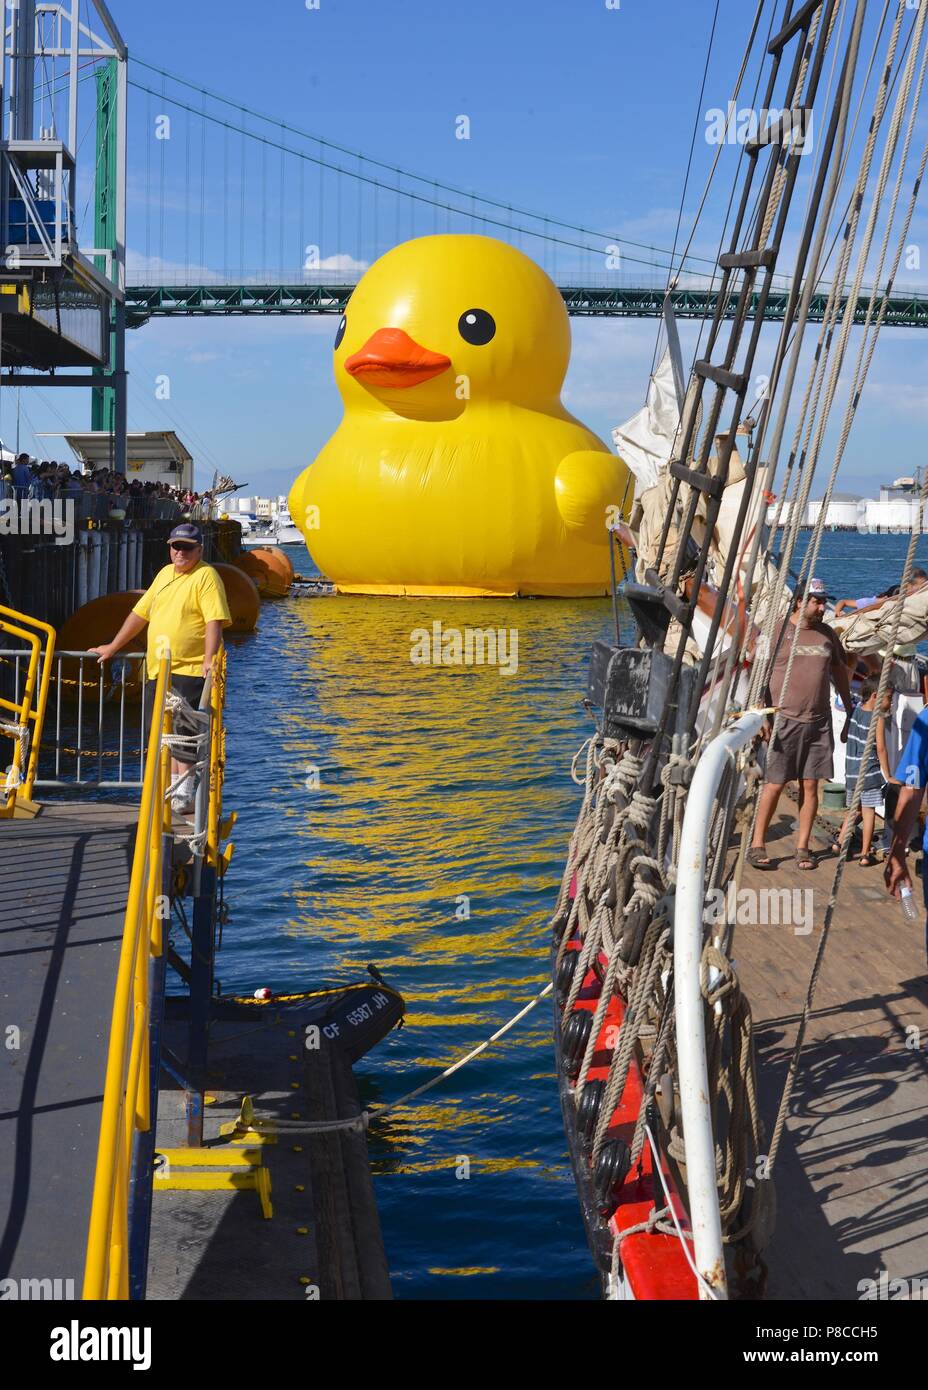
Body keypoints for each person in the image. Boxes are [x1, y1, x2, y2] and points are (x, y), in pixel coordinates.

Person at [89, 523, 232, 814]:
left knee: (184, 736)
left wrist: (209, 660)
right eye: (175, 546)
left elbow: (213, 621)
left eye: (187, 547)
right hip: (157, 670)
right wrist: (114, 646)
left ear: (199, 550)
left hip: (189, 669)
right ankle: (169, 791)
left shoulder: (206, 576)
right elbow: (139, 614)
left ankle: (185, 794)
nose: (180, 552)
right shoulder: (164, 574)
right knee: (160, 735)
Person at [750, 579, 854, 870]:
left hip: (818, 722)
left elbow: (840, 673)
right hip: (785, 721)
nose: (822, 607)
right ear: (799, 601)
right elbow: (756, 672)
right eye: (816, 602)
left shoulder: (827, 636)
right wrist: (760, 713)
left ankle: (803, 847)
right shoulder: (775, 632)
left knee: (810, 786)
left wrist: (848, 709)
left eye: (823, 601)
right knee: (775, 783)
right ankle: (758, 843)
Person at [838, 678, 892, 866]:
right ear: (876, 696)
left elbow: (844, 737)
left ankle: (839, 844)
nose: (890, 703)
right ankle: (864, 854)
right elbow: (881, 749)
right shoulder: (877, 718)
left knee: (854, 810)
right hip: (868, 773)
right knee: (869, 813)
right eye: (889, 698)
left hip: (851, 772)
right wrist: (888, 775)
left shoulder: (854, 712)